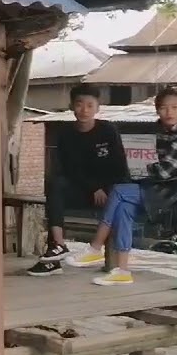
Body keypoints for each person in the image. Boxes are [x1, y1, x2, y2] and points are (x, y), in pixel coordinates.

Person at [66, 87, 177, 285]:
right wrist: (141, 169)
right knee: (124, 207)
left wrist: (141, 170)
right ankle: (122, 270)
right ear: (157, 110)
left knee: (118, 190)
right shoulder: (159, 130)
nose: (169, 112)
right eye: (163, 108)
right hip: (162, 190)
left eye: (175, 107)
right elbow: (153, 169)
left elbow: (168, 170)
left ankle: (96, 246)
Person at [27, 84, 130, 277]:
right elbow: (69, 170)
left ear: (98, 108)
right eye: (79, 104)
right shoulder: (65, 134)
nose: (84, 110)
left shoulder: (108, 131)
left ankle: (57, 254)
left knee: (117, 194)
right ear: (72, 106)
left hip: (109, 193)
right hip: (83, 190)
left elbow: (120, 168)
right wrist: (93, 187)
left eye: (90, 105)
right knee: (55, 184)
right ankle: (58, 245)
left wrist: (103, 188)